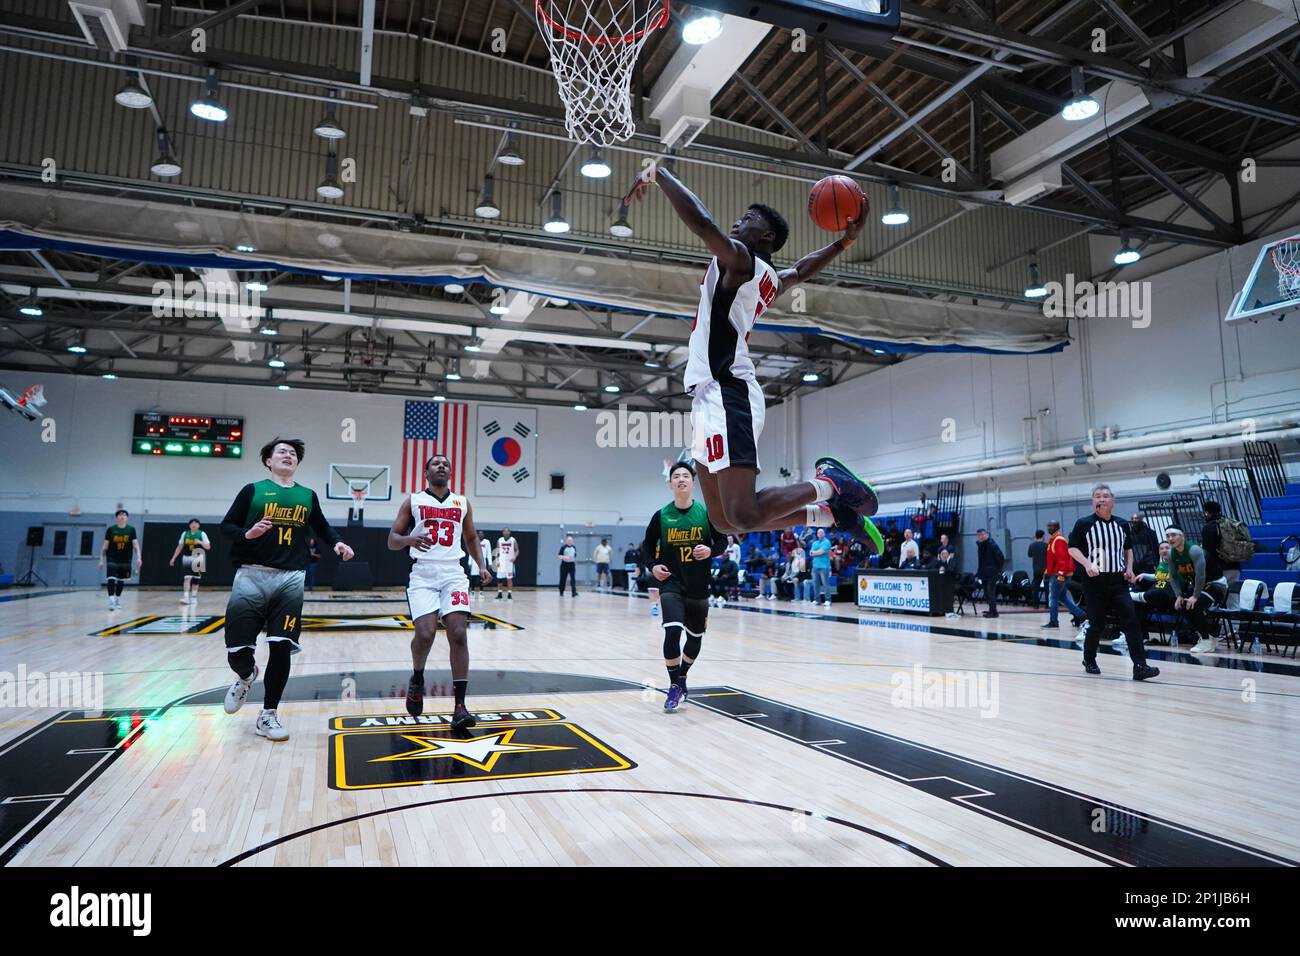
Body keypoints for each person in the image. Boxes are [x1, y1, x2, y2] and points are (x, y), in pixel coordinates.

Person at [633, 162, 882, 553]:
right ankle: (834, 516)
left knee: (744, 515)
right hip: (706, 396)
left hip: (729, 391)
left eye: (746, 219)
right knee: (722, 520)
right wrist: (842, 243)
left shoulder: (743, 263)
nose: (736, 223)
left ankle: (829, 483)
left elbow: (703, 226)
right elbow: (799, 271)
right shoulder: (766, 275)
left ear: (765, 236)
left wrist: (660, 174)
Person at [220, 437, 355, 741]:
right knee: (237, 649)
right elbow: (225, 527)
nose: (288, 455)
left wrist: (337, 543)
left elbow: (321, 527)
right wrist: (247, 532)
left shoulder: (307, 496)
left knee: (281, 645)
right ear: (268, 460)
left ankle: (268, 715)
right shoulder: (252, 491)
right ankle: (245, 675)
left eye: (293, 453)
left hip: (291, 577)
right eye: (281, 451)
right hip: (251, 575)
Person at [388, 453, 490, 726]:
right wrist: (409, 539)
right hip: (423, 573)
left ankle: (460, 707)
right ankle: (418, 677)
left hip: (454, 573)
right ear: (426, 472)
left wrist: (480, 565)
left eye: (446, 464)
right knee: (425, 634)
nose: (441, 466)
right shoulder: (414, 500)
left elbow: (470, 537)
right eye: (436, 463)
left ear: (450, 473)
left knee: (458, 634)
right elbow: (392, 540)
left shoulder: (462, 502)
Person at [642, 461, 727, 712]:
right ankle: (673, 686)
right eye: (676, 476)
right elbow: (647, 546)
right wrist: (653, 566)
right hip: (671, 584)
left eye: (685, 476)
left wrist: (711, 549)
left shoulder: (706, 513)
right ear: (670, 484)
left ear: (692, 482)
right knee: (671, 631)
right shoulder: (661, 515)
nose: (681, 479)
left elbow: (722, 541)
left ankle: (682, 678)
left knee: (695, 638)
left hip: (699, 585)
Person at [1067, 483, 1160, 681]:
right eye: (1097, 496)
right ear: (1093, 502)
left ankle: (1140, 666)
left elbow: (1128, 549)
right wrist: (1087, 564)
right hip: (1094, 581)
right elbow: (1072, 548)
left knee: (1132, 622)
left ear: (1113, 501)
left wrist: (1129, 568)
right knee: (1097, 624)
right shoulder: (1083, 524)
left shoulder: (1122, 524)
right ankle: (1089, 658)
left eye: (1105, 496)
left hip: (1118, 581)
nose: (1101, 499)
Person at [1160, 527, 1218, 654]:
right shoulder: (1171, 554)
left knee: (1194, 604)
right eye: (1168, 536)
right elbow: (1173, 576)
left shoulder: (1194, 550)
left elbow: (1201, 576)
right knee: (1182, 604)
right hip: (1198, 586)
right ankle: (1205, 637)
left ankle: (1207, 640)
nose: (1170, 539)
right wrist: (1179, 595)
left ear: (1182, 536)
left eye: (1174, 535)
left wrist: (1195, 596)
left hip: (1215, 585)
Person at [1042, 520, 1086, 629]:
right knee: (1062, 597)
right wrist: (1047, 571)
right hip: (1056, 573)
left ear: (1056, 527)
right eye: (1048, 525)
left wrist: (1061, 574)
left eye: (1050, 526)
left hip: (1059, 574)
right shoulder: (1053, 539)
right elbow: (1053, 559)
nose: (1048, 528)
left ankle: (1054, 621)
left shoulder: (1059, 540)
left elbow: (1063, 559)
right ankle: (1081, 614)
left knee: (1053, 597)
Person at [98, 509, 140, 611]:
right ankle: (111, 600)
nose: (122, 516)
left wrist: (139, 557)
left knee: (121, 581)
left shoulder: (131, 530)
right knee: (111, 578)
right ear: (117, 518)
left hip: (125, 558)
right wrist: (101, 559)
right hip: (112, 557)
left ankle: (117, 599)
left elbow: (135, 545)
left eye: (124, 515)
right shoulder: (111, 530)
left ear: (127, 518)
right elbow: (105, 546)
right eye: (120, 515)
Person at [168, 518, 211, 605]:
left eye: (196, 523)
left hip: (198, 557)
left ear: (199, 525)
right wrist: (173, 558)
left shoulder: (202, 534)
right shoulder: (185, 534)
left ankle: (194, 597)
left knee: (196, 580)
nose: (194, 524)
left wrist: (200, 542)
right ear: (189, 525)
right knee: (187, 577)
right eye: (192, 523)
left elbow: (208, 547)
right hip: (187, 557)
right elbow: (179, 547)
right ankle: (186, 597)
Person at [1201, 501, 1242, 589]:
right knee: (1233, 599)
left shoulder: (1208, 528)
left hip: (1219, 569)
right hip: (1236, 567)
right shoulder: (1231, 523)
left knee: (1220, 598)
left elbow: (1207, 551)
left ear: (1207, 512)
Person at [975, 529, 1004, 618]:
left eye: (982, 534)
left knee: (990, 592)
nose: (981, 536)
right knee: (987, 593)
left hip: (992, 573)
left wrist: (996, 569)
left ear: (986, 535)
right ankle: (991, 609)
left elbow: (1001, 558)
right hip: (984, 573)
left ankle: (994, 612)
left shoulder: (992, 544)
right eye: (979, 535)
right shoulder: (981, 545)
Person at [809, 527, 833, 607]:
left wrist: (815, 553)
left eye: (821, 533)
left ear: (824, 534)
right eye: (819, 533)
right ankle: (817, 600)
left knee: (825, 584)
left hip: (824, 566)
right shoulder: (814, 543)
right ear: (817, 534)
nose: (820, 534)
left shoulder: (827, 542)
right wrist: (816, 552)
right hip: (815, 566)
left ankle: (828, 600)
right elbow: (810, 553)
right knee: (815, 584)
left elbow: (821, 552)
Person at [495, 528, 519, 601]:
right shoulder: (500, 540)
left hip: (509, 562)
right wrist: (497, 561)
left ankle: (509, 593)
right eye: (504, 531)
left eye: (507, 531)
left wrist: (514, 557)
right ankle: (500, 593)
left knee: (509, 578)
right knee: (499, 579)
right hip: (501, 561)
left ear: (509, 532)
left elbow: (517, 550)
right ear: (502, 532)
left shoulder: (513, 540)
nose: (506, 532)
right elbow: (497, 551)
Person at [1027, 530, 1048, 607]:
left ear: (1035, 536)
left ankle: (1035, 604)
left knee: (1036, 587)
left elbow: (1029, 555)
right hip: (1045, 569)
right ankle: (1047, 605)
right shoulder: (1046, 545)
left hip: (1036, 569)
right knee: (1047, 587)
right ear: (1043, 536)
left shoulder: (1032, 545)